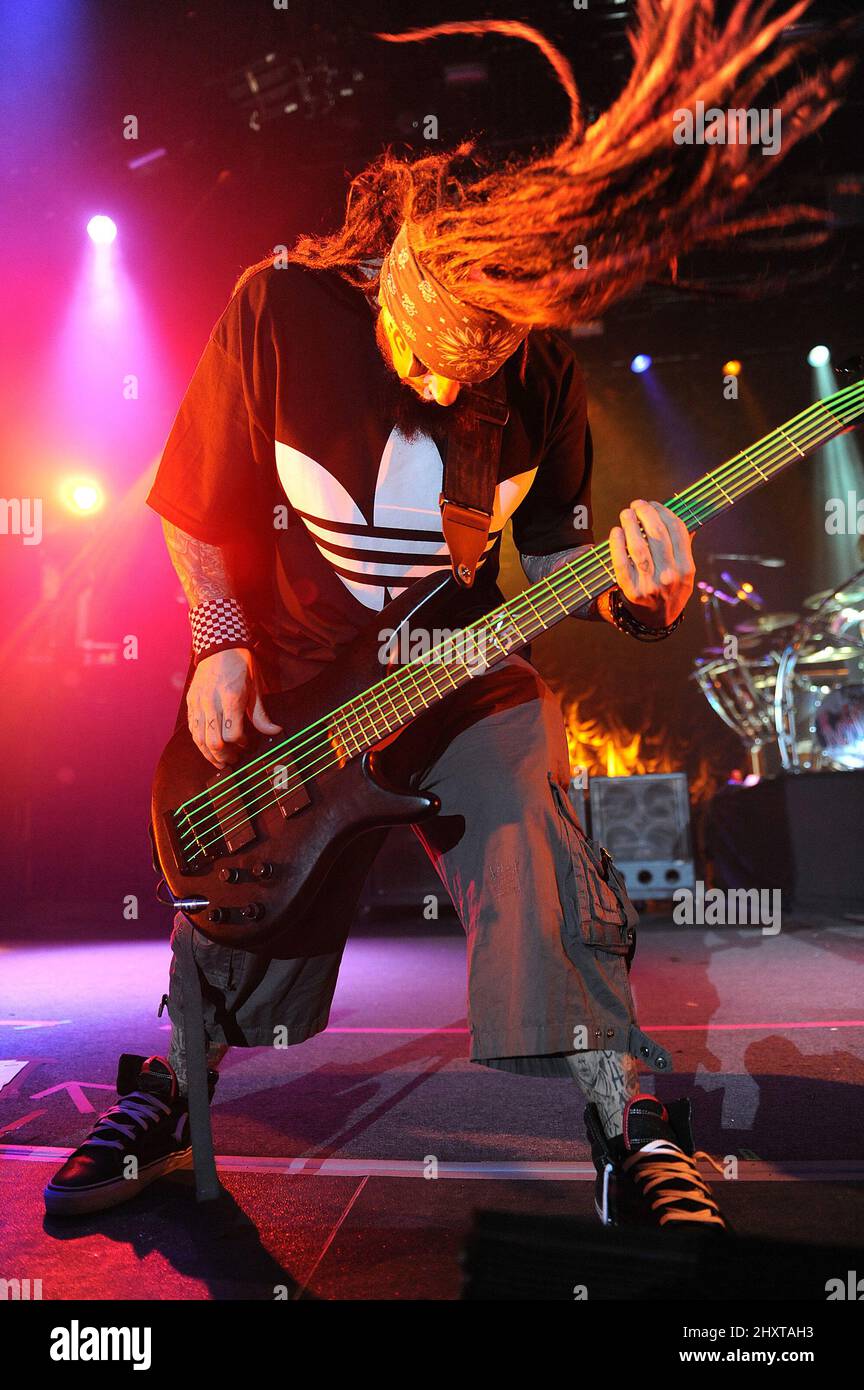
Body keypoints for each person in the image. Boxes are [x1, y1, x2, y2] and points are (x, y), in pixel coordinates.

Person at [45, 4, 844, 1228]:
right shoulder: (277, 309)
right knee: (245, 888)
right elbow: (195, 507)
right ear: (399, 258)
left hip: (464, 670)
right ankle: (175, 1096)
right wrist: (215, 641)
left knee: (535, 816)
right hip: (302, 672)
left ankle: (628, 1122)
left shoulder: (540, 370)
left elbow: (582, 562)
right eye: (427, 347)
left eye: (473, 358)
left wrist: (653, 593)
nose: (438, 380)